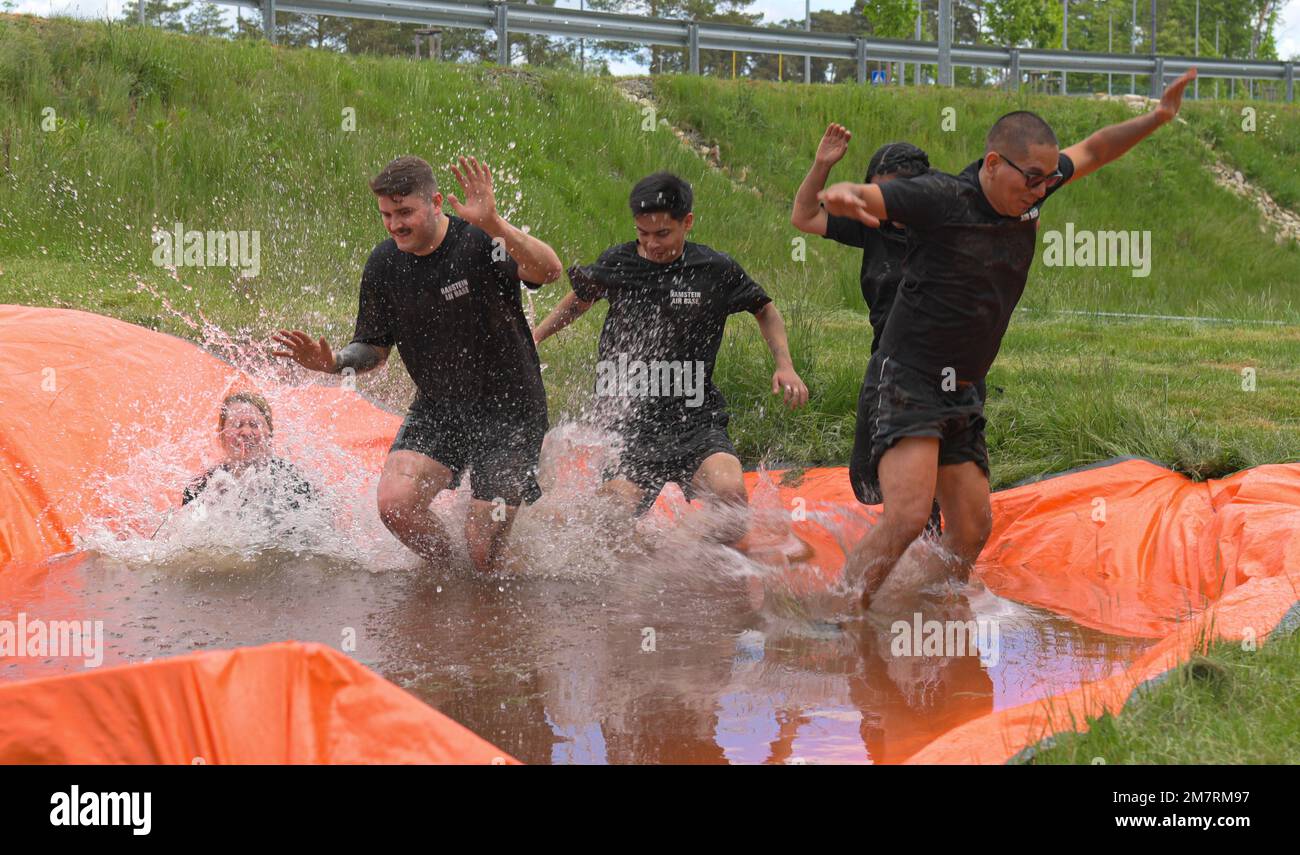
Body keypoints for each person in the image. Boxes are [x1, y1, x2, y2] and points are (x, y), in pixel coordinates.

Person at [817, 70, 1197, 609]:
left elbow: (1093, 149)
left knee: (971, 529)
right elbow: (880, 195)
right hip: (906, 378)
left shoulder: (1034, 185)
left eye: (1047, 180)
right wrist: (846, 192)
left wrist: (1157, 117)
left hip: (964, 386)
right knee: (905, 517)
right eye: (1032, 180)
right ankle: (834, 617)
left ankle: (918, 613)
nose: (1041, 190)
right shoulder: (944, 197)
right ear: (994, 164)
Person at [273, 155, 564, 573]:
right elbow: (372, 347)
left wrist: (495, 223)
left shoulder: (481, 241)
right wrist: (335, 362)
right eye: (387, 215)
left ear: (436, 202)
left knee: (483, 550)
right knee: (395, 506)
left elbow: (549, 270)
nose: (395, 225)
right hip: (439, 408)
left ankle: (489, 591)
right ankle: (447, 577)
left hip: (511, 411)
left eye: (404, 212)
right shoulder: (383, 265)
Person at [532, 172, 808, 547]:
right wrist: (536, 337)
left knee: (732, 507)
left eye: (662, 234)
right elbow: (579, 301)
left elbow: (765, 309)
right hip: (631, 425)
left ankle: (674, 554)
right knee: (606, 522)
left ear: (687, 223)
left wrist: (785, 364)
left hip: (695, 419)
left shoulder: (714, 269)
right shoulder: (619, 262)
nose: (651, 243)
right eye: (642, 233)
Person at [790, 131, 962, 534]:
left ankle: (927, 538)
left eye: (900, 194)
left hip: (944, 362)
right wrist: (822, 166)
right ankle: (918, 517)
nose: (891, 205)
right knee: (866, 482)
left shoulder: (947, 225)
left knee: (920, 468)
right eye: (880, 195)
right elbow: (803, 216)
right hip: (886, 359)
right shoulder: (872, 225)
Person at [182, 391, 315, 509]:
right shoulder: (200, 489)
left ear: (269, 434)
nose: (246, 432)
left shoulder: (294, 483)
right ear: (221, 435)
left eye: (254, 425)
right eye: (237, 425)